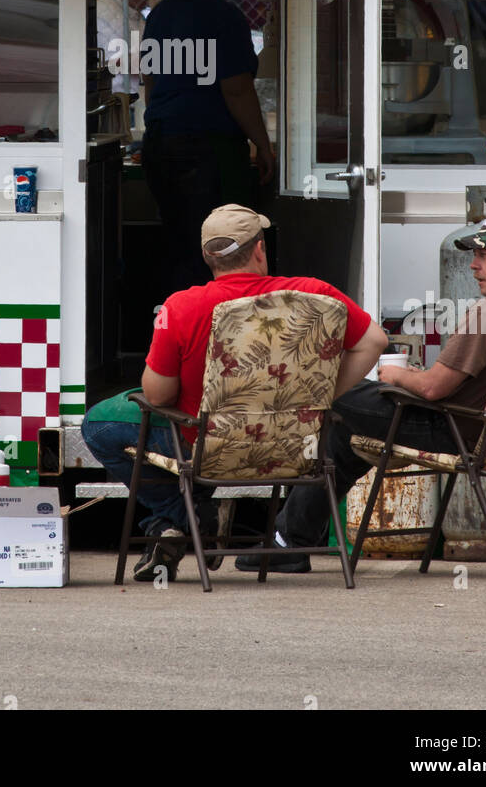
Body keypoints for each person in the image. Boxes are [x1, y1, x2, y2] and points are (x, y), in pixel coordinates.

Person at [81, 203, 387, 582]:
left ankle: (184, 519)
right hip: (293, 445)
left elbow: (157, 397)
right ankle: (176, 522)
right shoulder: (314, 294)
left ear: (208, 256)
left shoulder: (182, 306)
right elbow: (375, 340)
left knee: (97, 423)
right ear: (259, 249)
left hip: (209, 448)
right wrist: (315, 400)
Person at [236, 209, 486, 573]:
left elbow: (433, 388)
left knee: (332, 398)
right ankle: (289, 540)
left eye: (483, 255)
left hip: (455, 431)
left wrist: (397, 377)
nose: (473, 266)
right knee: (344, 433)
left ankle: (289, 541)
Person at [141, 0, 275, 293]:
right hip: (207, 151)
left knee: (179, 243)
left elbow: (150, 84)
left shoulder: (160, 14)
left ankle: (178, 327)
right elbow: (237, 90)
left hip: (160, 146)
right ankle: (213, 334)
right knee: (221, 247)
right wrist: (263, 146)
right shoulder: (224, 17)